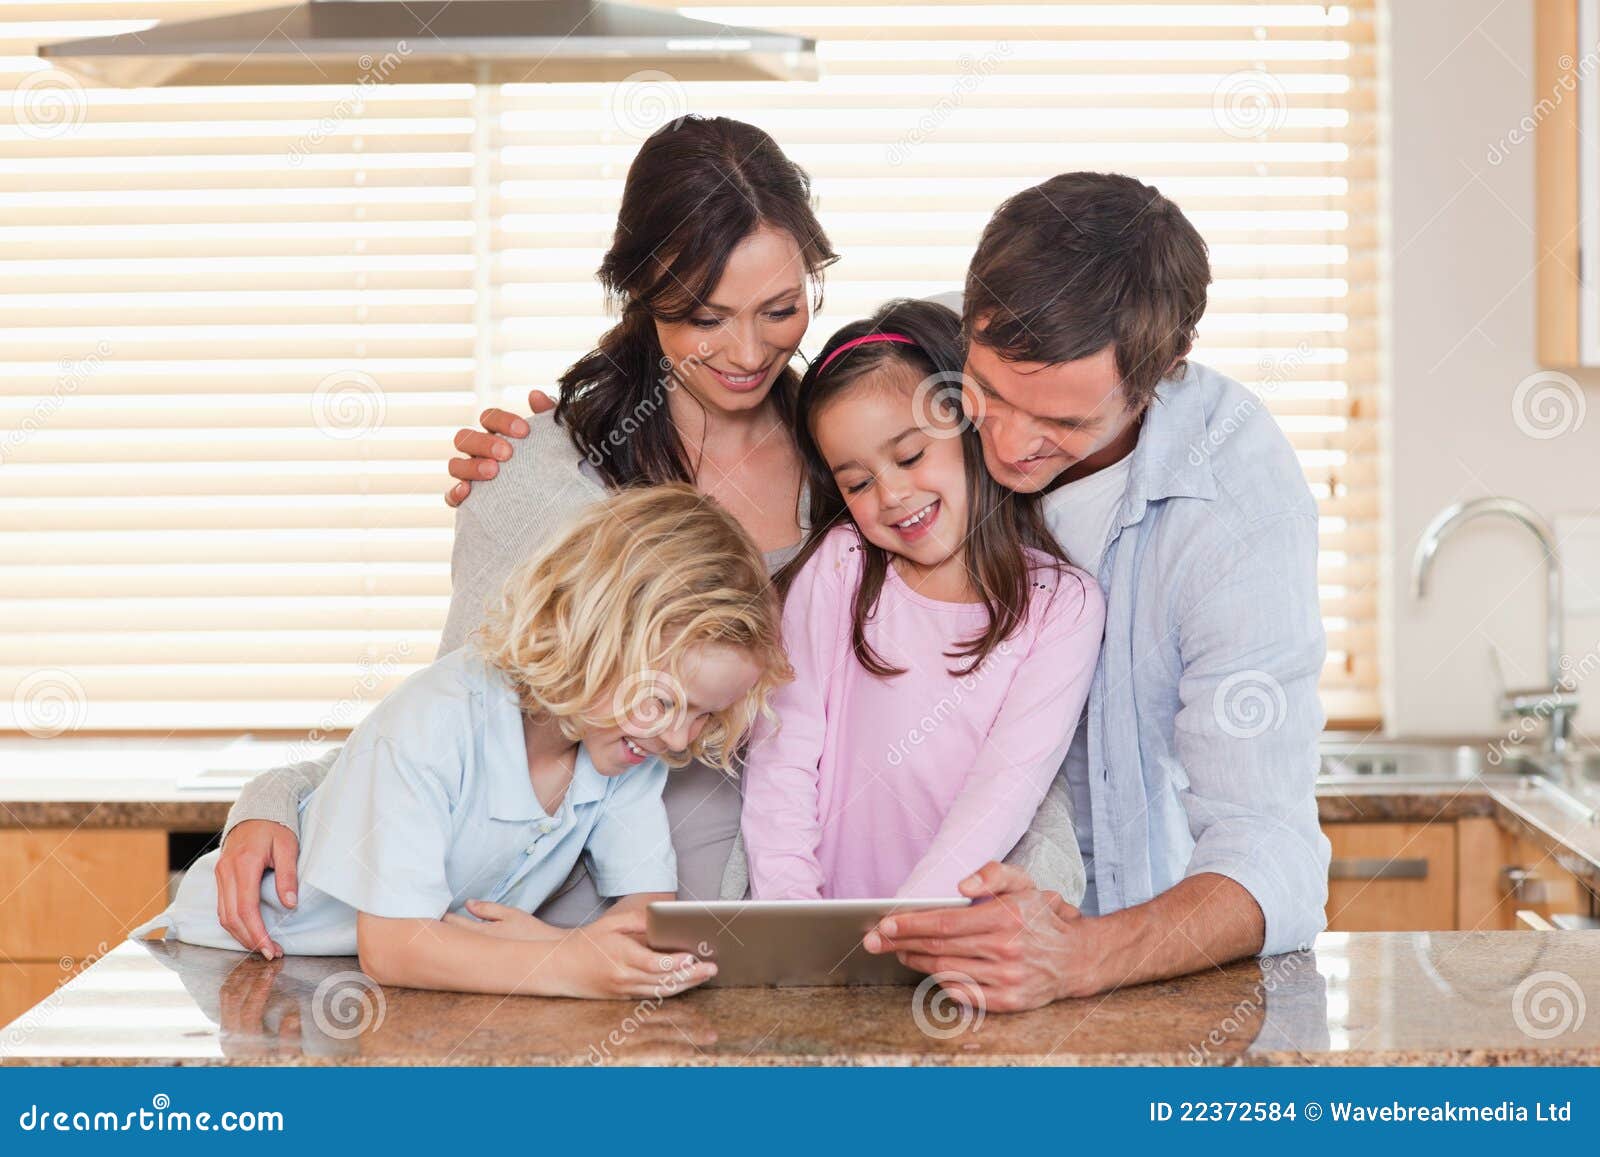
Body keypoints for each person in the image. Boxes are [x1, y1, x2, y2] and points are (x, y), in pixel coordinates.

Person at [211, 114, 836, 956]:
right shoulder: (541, 475)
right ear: (640, 295)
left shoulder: (856, 461)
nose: (749, 350)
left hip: (793, 927)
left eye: (781, 309)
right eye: (705, 317)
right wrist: (277, 794)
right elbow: (463, 720)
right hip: (565, 948)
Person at [860, 172, 1331, 1009]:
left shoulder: (1236, 500)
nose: (1006, 442)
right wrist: (561, 438)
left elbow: (1273, 847)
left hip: (1121, 968)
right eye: (991, 394)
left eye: (1065, 424)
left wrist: (1079, 957)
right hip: (892, 948)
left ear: (1164, 376)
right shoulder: (911, 368)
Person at [139, 485, 791, 999]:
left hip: (347, 972)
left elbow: (648, 909)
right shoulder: (438, 719)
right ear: (592, 636)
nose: (679, 737)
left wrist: (560, 944)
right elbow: (393, 948)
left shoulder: (624, 745)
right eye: (663, 701)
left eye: (704, 716)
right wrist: (570, 960)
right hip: (232, 951)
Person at [736, 300, 1103, 901]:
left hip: (951, 932)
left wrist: (909, 922)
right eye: (857, 482)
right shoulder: (843, 564)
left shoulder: (1062, 605)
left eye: (909, 456)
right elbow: (784, 754)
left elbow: (1004, 791)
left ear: (970, 426)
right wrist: (791, 914)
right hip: (818, 931)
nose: (894, 494)